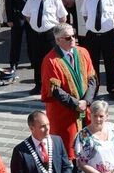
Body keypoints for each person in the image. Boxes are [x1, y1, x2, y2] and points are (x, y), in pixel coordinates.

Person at [40, 24, 96, 160]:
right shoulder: (50, 60)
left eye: (74, 36)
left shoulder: (83, 52)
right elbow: (54, 90)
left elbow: (92, 79)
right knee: (67, 146)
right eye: (68, 37)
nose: (73, 39)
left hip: (84, 108)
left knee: (88, 143)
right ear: (58, 40)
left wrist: (86, 101)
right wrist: (76, 104)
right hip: (64, 111)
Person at [9, 111, 80, 173]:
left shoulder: (57, 141)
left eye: (48, 124)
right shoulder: (20, 151)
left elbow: (67, 166)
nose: (47, 129)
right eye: (43, 126)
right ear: (32, 128)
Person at [24, 0, 68, 91]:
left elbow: (63, 18)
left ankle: (54, 85)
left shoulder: (55, 0)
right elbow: (27, 15)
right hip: (36, 34)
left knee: (52, 60)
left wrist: (57, 32)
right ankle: (38, 84)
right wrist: (35, 26)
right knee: (37, 60)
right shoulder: (32, 0)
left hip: (50, 34)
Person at [80, 0, 114, 97]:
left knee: (110, 62)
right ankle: (93, 89)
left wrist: (108, 28)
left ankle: (113, 89)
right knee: (92, 64)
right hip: (92, 35)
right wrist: (93, 26)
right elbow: (85, 15)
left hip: (107, 34)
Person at [5, 0, 33, 73]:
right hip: (17, 17)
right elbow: (8, 3)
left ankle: (33, 61)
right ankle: (13, 63)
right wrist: (9, 19)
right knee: (16, 42)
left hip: (30, 17)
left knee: (32, 41)